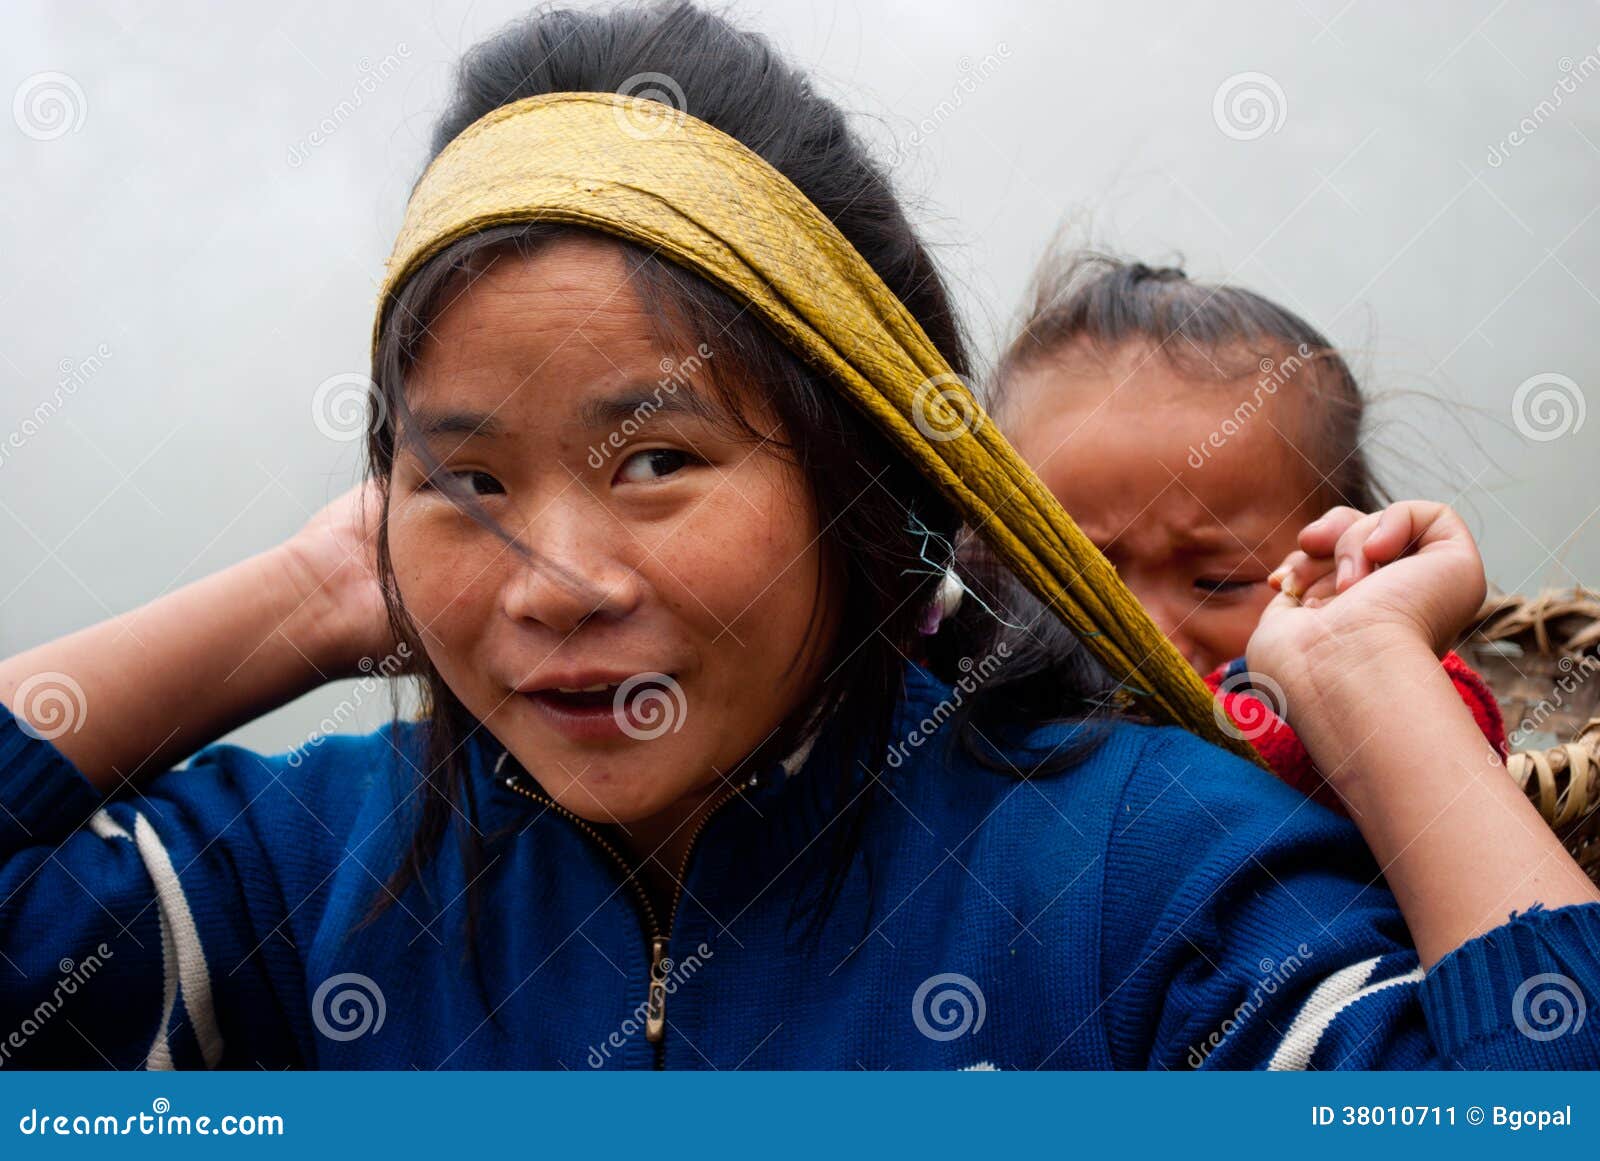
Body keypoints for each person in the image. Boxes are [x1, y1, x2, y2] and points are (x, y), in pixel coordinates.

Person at [1, 2, 1596, 1070]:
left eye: (658, 459)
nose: (559, 583)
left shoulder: (1141, 872)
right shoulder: (323, 877)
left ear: (868, 480)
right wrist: (308, 595)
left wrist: (1378, 685)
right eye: (468, 479)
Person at [988, 252, 1508, 805]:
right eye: (1075, 578)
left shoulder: (1325, 727)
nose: (1149, 638)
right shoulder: (963, 697)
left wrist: (1373, 642)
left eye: (1219, 582)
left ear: (1335, 568)